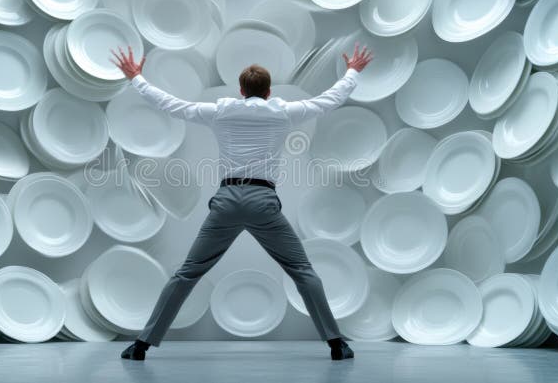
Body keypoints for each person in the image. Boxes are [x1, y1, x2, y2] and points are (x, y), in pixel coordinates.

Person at [109, 43, 373, 361]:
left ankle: (141, 345)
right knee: (303, 271)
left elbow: (172, 105)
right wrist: (352, 71)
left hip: (227, 201)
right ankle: (337, 345)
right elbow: (328, 101)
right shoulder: (282, 112)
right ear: (268, 91)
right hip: (263, 201)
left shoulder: (222, 111)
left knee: (187, 273)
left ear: (240, 90)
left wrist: (136, 77)